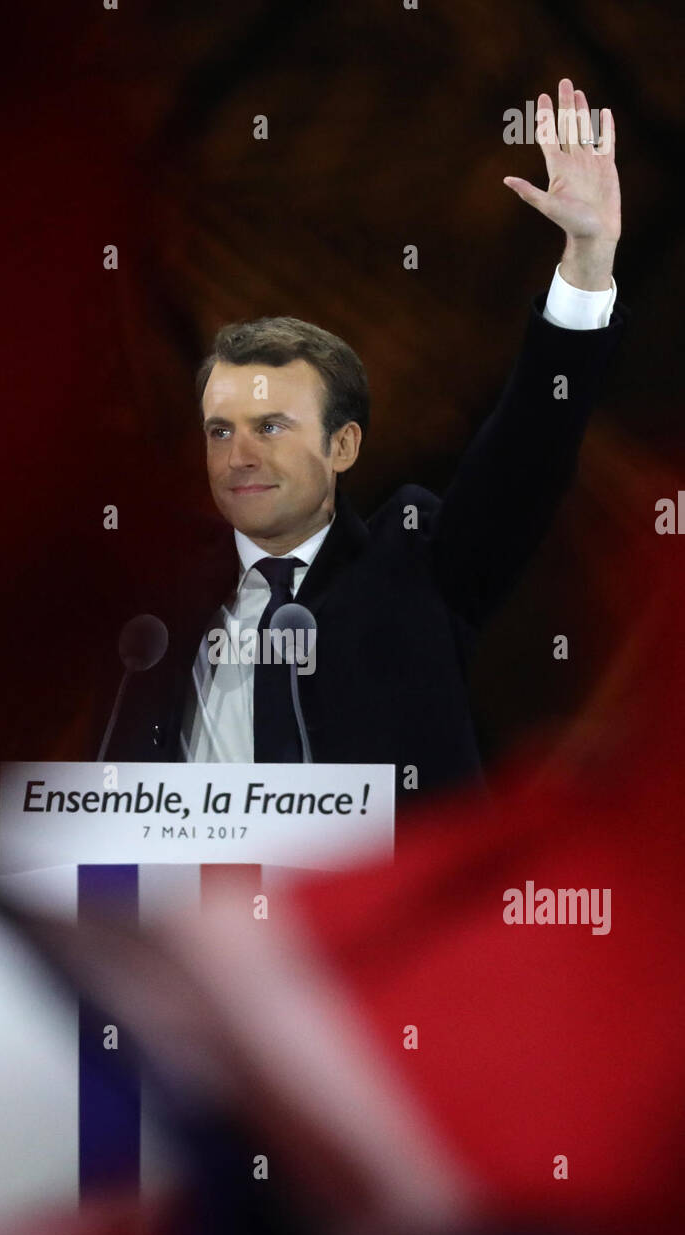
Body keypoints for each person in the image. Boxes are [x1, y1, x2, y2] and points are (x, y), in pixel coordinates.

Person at [101, 79, 625, 804]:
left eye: (271, 427)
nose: (239, 454)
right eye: (220, 430)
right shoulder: (152, 615)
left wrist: (588, 265)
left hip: (387, 911)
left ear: (344, 446)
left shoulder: (414, 568)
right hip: (176, 911)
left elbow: (526, 458)